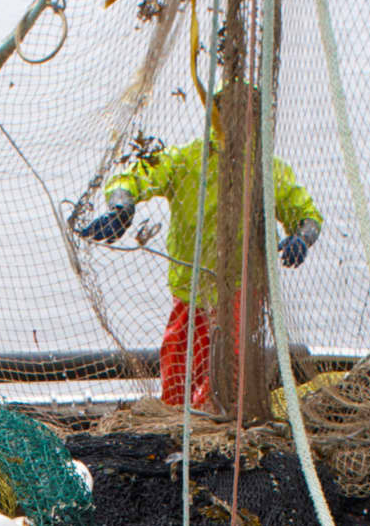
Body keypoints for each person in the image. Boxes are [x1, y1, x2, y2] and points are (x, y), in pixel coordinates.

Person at [78, 87, 321, 409]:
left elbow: (306, 214)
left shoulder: (269, 170)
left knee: (231, 359)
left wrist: (301, 238)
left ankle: (217, 417)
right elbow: (134, 176)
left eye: (250, 115)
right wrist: (120, 208)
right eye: (232, 112)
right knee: (177, 358)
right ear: (217, 114)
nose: (241, 122)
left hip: (241, 287)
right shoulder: (187, 160)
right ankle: (177, 420)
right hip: (190, 287)